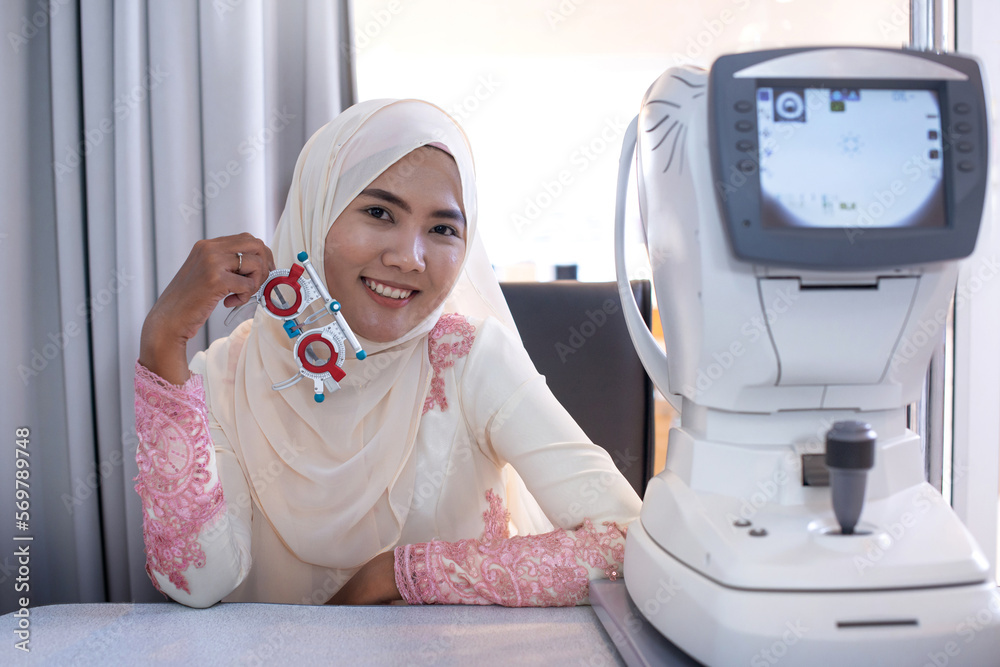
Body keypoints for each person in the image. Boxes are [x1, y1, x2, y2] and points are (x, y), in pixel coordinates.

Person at [134, 98, 642, 608]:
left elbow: (628, 543)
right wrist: (162, 340)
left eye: (442, 229)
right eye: (379, 212)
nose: (408, 258)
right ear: (318, 211)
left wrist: (400, 575)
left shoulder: (468, 360)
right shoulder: (222, 376)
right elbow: (196, 581)